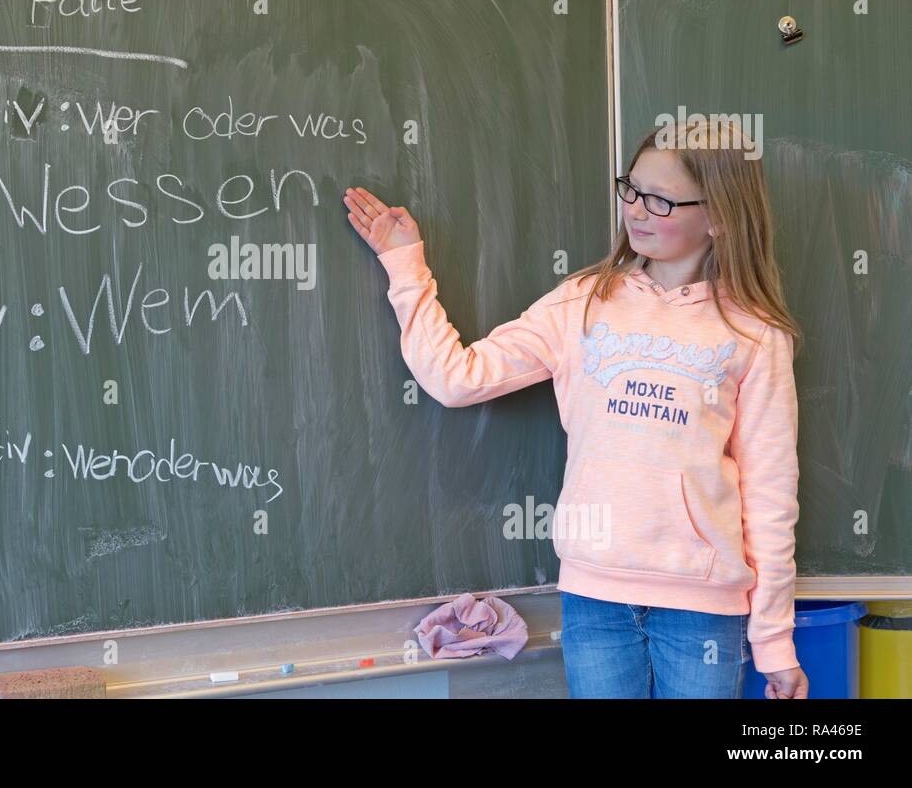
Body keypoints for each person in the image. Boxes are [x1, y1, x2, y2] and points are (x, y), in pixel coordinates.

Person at [344, 119, 807, 699]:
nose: (636, 210)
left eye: (660, 200)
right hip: (595, 599)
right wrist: (404, 264)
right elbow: (456, 377)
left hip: (702, 607)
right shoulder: (583, 303)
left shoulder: (754, 334)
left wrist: (774, 643)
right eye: (631, 189)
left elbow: (770, 496)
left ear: (719, 216)